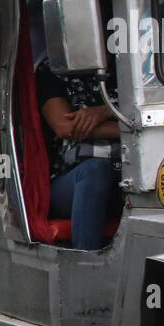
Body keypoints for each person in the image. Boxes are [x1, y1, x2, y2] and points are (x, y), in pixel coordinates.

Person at [37, 60, 120, 251]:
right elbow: (65, 127)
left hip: (131, 175)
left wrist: (103, 111)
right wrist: (127, 128)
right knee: (95, 170)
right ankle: (86, 262)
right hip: (72, 183)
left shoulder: (141, 66)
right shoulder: (53, 70)